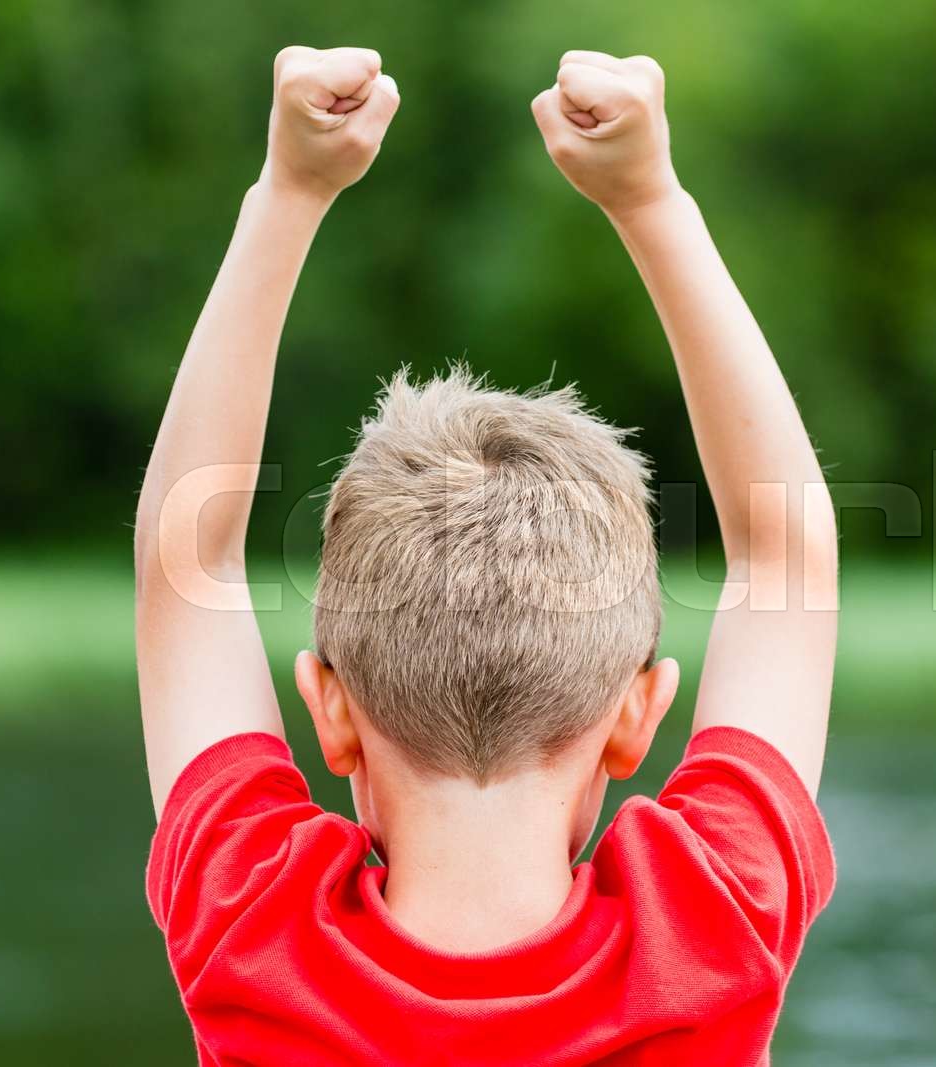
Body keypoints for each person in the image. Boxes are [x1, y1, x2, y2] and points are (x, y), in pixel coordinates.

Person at [133, 44, 838, 1065]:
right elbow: (785, 556)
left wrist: (288, 190)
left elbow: (182, 563)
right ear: (635, 717)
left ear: (331, 709)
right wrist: (651, 198)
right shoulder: (704, 931)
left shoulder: (257, 931)